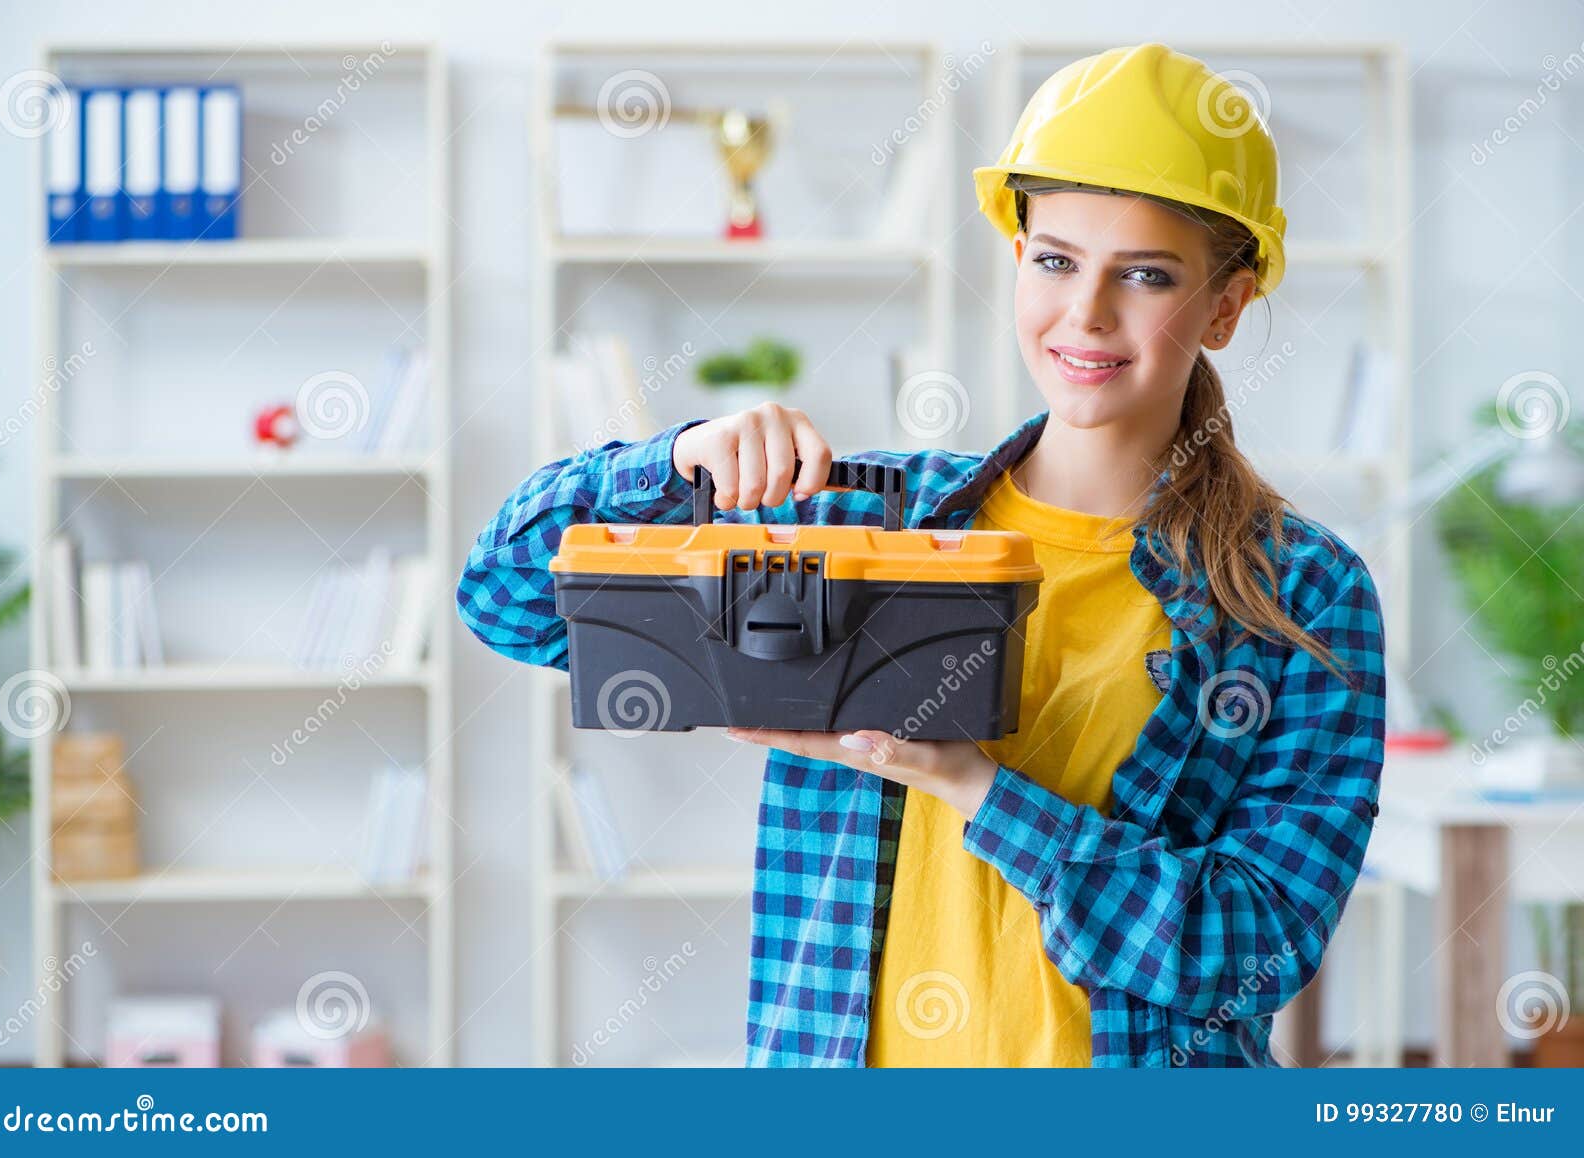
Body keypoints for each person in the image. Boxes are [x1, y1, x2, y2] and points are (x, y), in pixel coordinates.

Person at [457, 42, 1386, 1067]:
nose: (1086, 313)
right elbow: (505, 597)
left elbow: (1259, 943)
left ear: (1224, 304)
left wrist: (971, 785)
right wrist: (676, 465)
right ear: (1018, 257)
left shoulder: (1296, 591)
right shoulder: (859, 522)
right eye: (1055, 260)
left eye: (1147, 275)